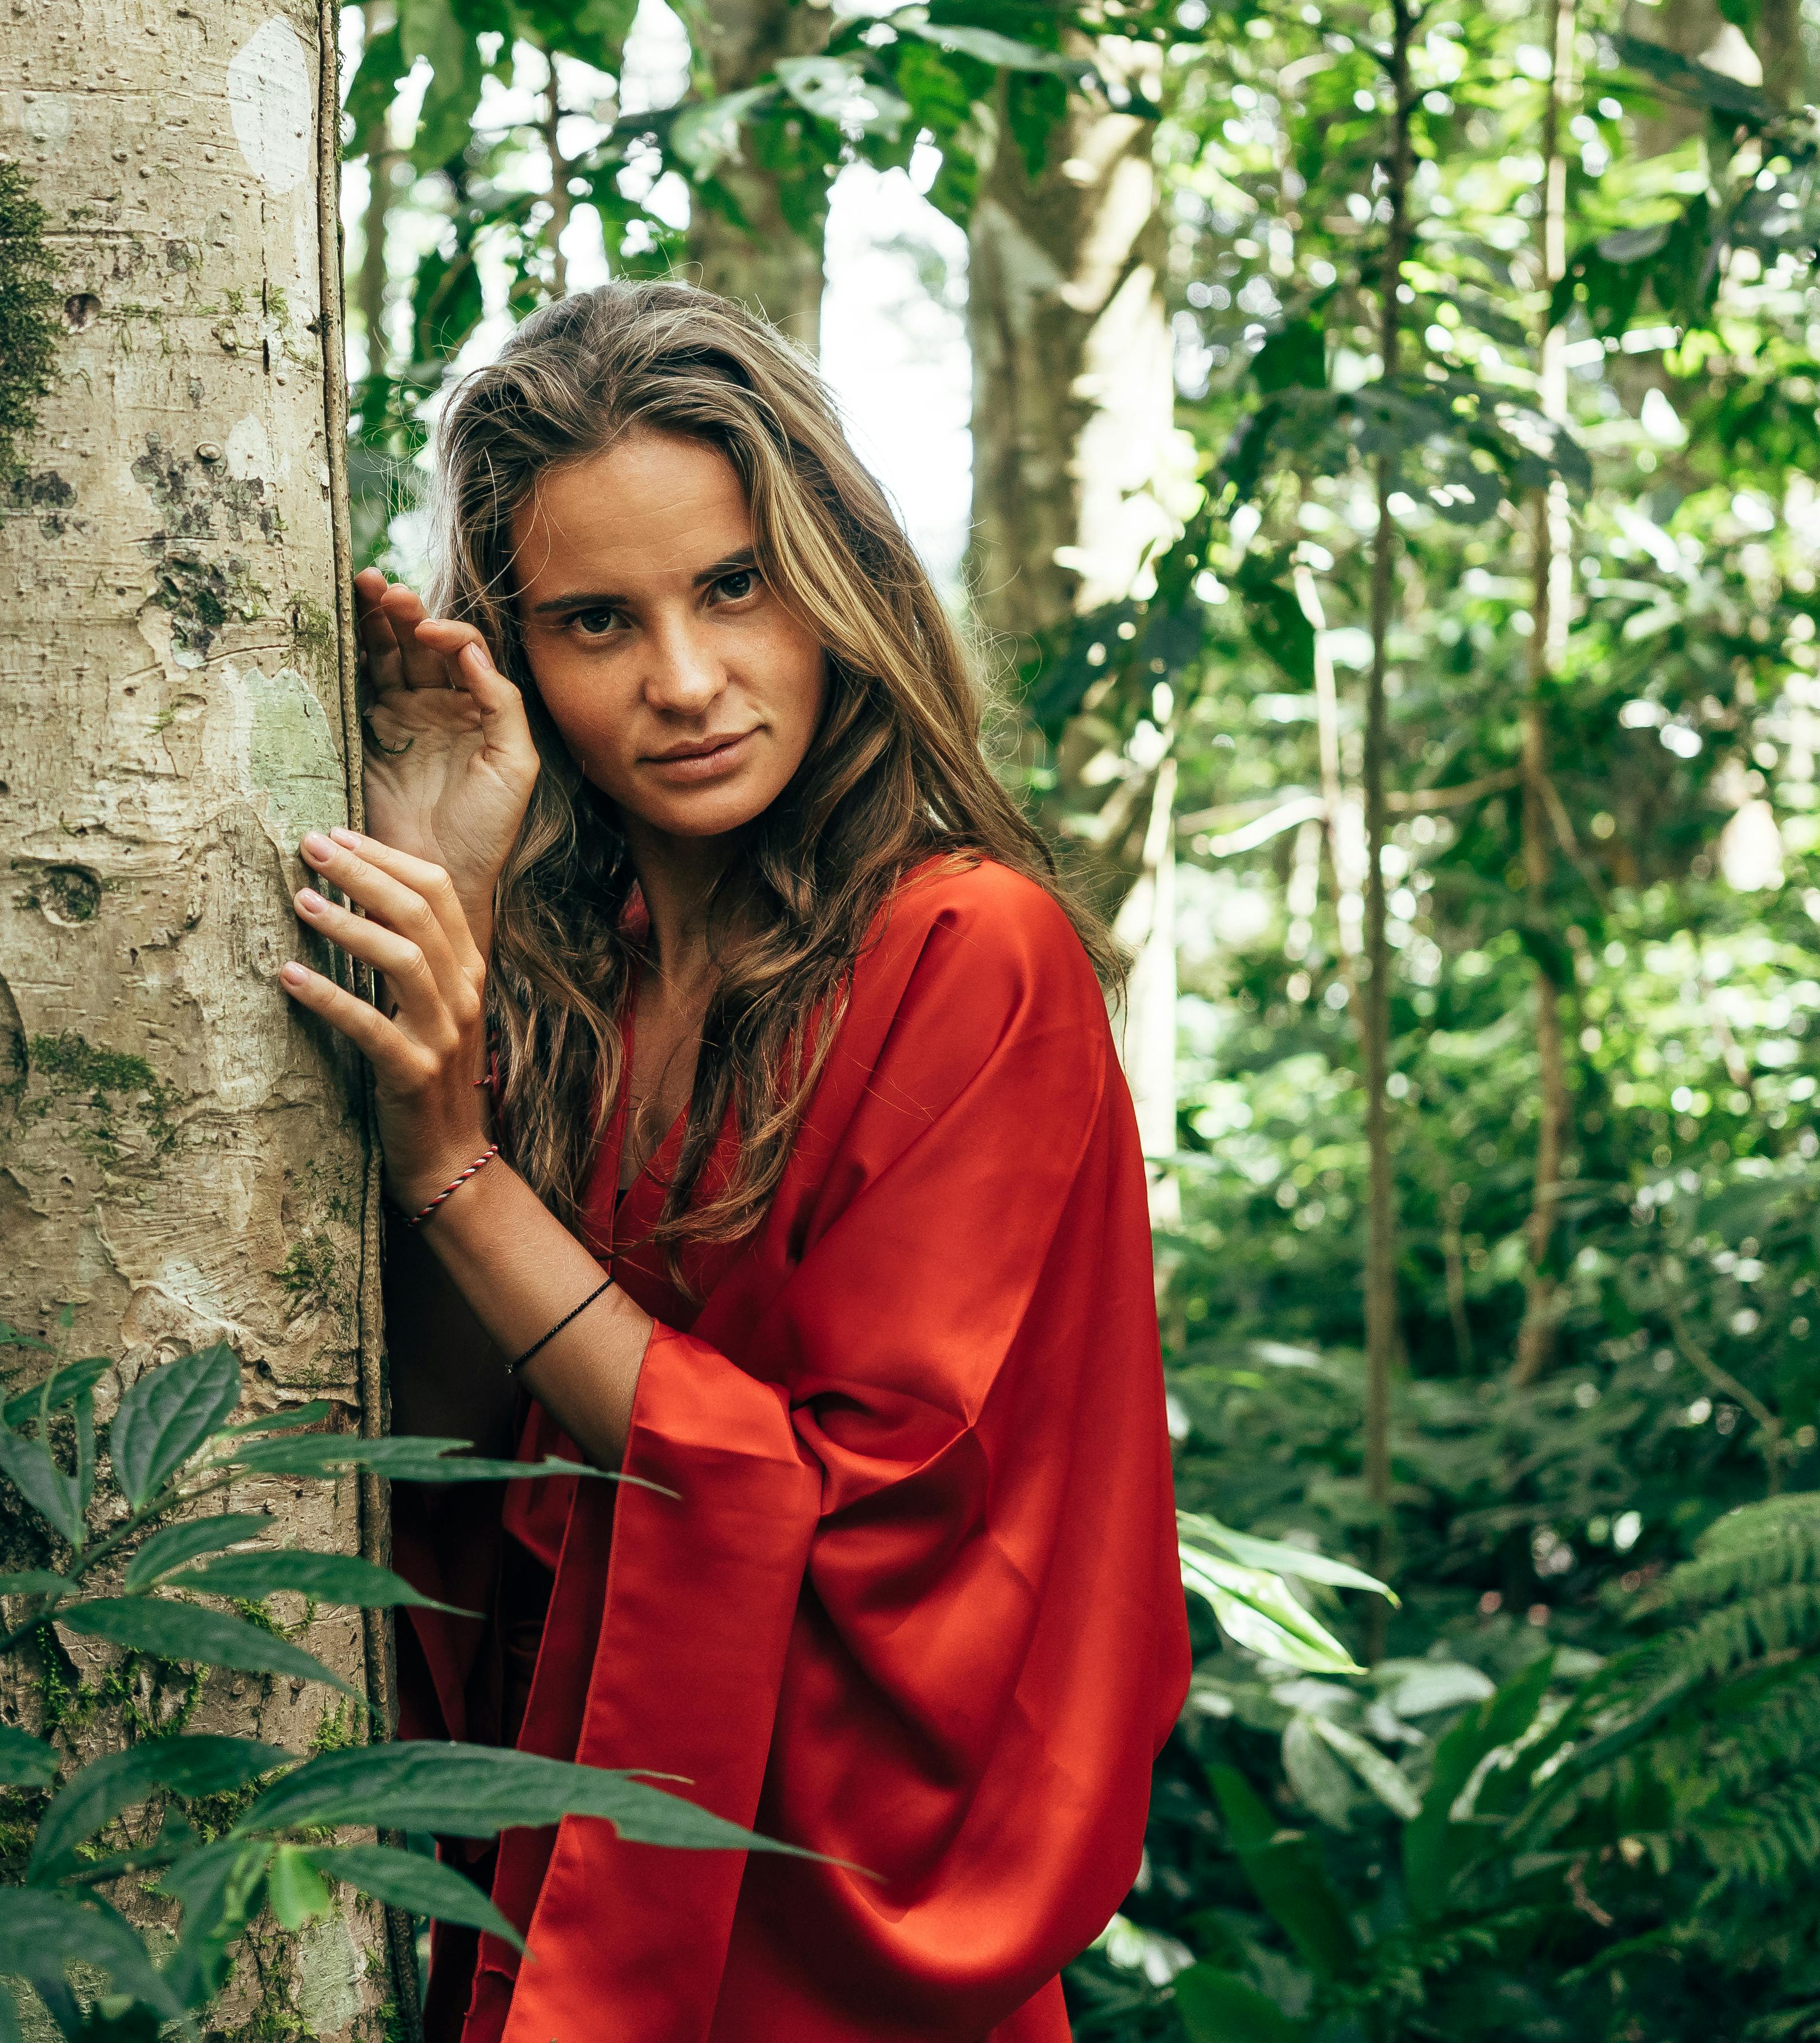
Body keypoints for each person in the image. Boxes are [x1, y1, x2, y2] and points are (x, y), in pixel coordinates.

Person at [276, 281, 1188, 2043]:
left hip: (826, 1927)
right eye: (597, 621)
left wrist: (457, 1165)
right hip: (558, 1867)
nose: (684, 684)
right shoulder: (570, 977)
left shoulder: (969, 953)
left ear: (835, 577)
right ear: (520, 654)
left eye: (733, 587)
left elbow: (837, 1504)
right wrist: (459, 895)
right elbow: (461, 1465)